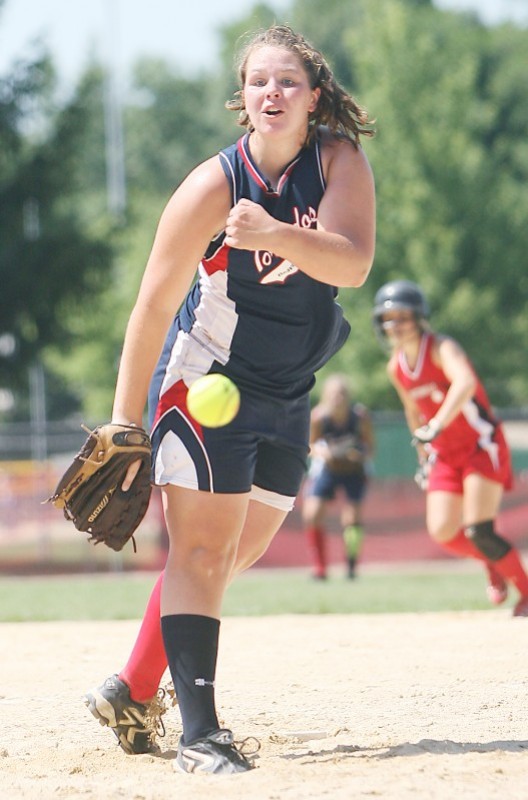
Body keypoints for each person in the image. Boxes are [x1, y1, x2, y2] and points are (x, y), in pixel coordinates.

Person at [83, 25, 376, 774]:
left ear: (314, 97)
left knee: (232, 555)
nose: (270, 93)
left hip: (286, 390)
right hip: (204, 381)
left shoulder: (338, 161)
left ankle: (131, 688)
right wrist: (125, 423)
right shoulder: (214, 186)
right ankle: (200, 735)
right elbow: (150, 306)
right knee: (204, 552)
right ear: (242, 100)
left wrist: (274, 232)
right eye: (257, 82)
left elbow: (353, 264)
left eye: (286, 81)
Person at [372, 279, 528, 617]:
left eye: (402, 316)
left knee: (479, 530)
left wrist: (438, 423)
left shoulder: (441, 347)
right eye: (388, 318)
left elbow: (466, 382)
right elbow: (413, 413)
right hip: (444, 453)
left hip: (478, 444)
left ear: (418, 317)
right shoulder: (395, 366)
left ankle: (525, 592)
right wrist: (423, 456)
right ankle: (492, 561)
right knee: (443, 531)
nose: (395, 325)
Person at [302, 373, 374, 579]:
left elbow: (370, 448)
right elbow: (311, 445)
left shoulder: (360, 417)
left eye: (342, 393)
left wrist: (357, 454)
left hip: (354, 469)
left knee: (352, 518)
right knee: (313, 513)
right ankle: (320, 568)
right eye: (334, 394)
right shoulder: (319, 417)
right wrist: (323, 453)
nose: (338, 398)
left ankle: (351, 565)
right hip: (328, 467)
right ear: (325, 396)